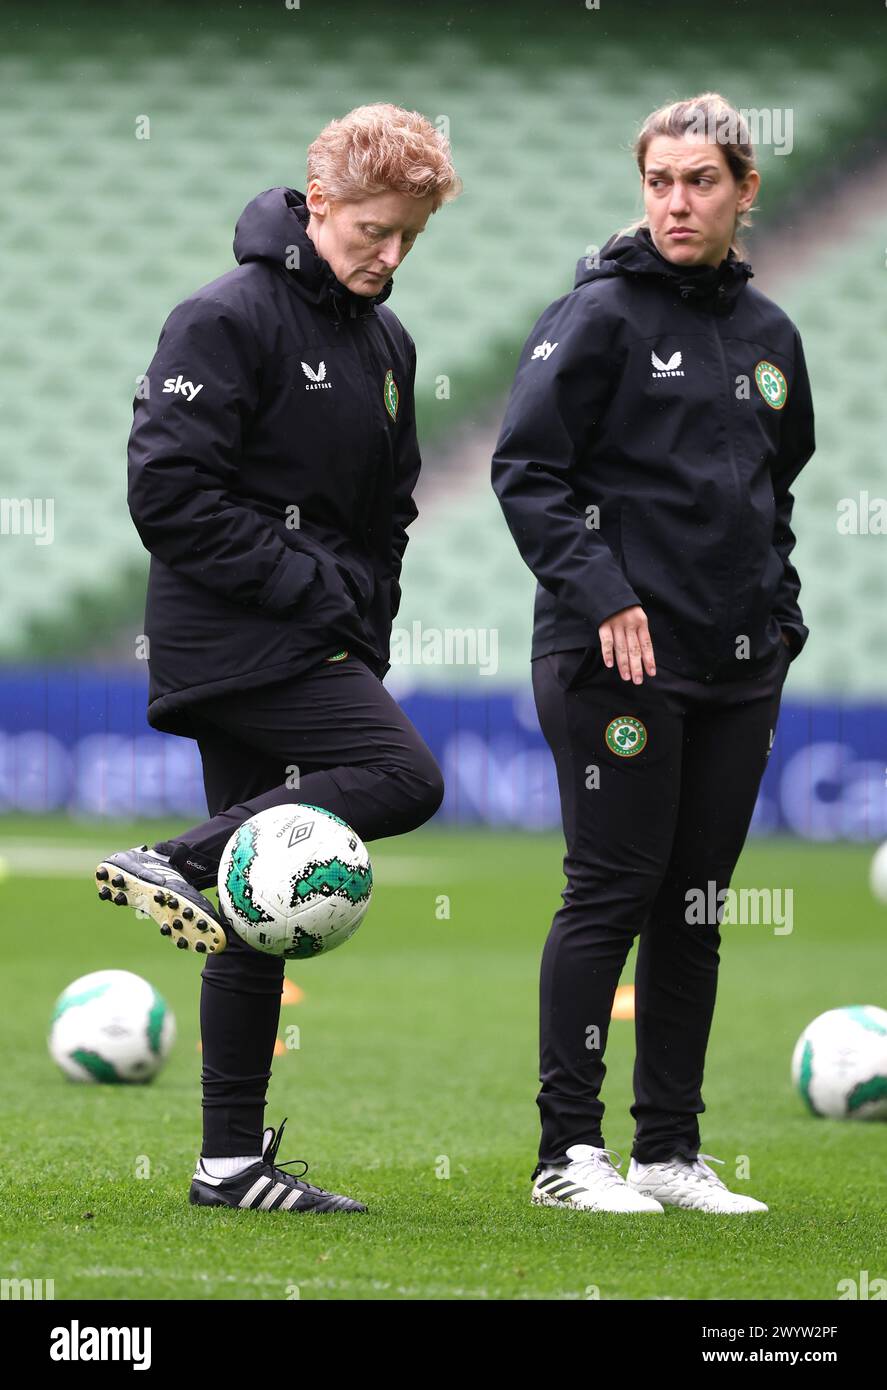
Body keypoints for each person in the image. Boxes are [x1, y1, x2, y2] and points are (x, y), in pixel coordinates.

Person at [95, 104, 461, 1214]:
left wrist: (366, 629)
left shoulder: (387, 343)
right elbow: (167, 494)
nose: (389, 254)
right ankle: (180, 855)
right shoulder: (223, 316)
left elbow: (386, 517)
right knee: (406, 779)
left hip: (312, 635)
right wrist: (317, 594)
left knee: (255, 916)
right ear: (319, 207)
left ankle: (228, 1166)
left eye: (408, 236)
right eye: (371, 231)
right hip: (234, 635)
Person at [491, 93, 814, 1213]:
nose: (676, 203)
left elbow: (773, 490)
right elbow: (526, 471)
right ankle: (564, 1155)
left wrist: (782, 617)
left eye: (700, 182)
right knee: (612, 890)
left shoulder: (770, 335)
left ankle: (669, 1152)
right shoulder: (596, 314)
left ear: (742, 190)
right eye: (658, 182)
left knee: (693, 905)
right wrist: (601, 596)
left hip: (736, 665)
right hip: (610, 657)